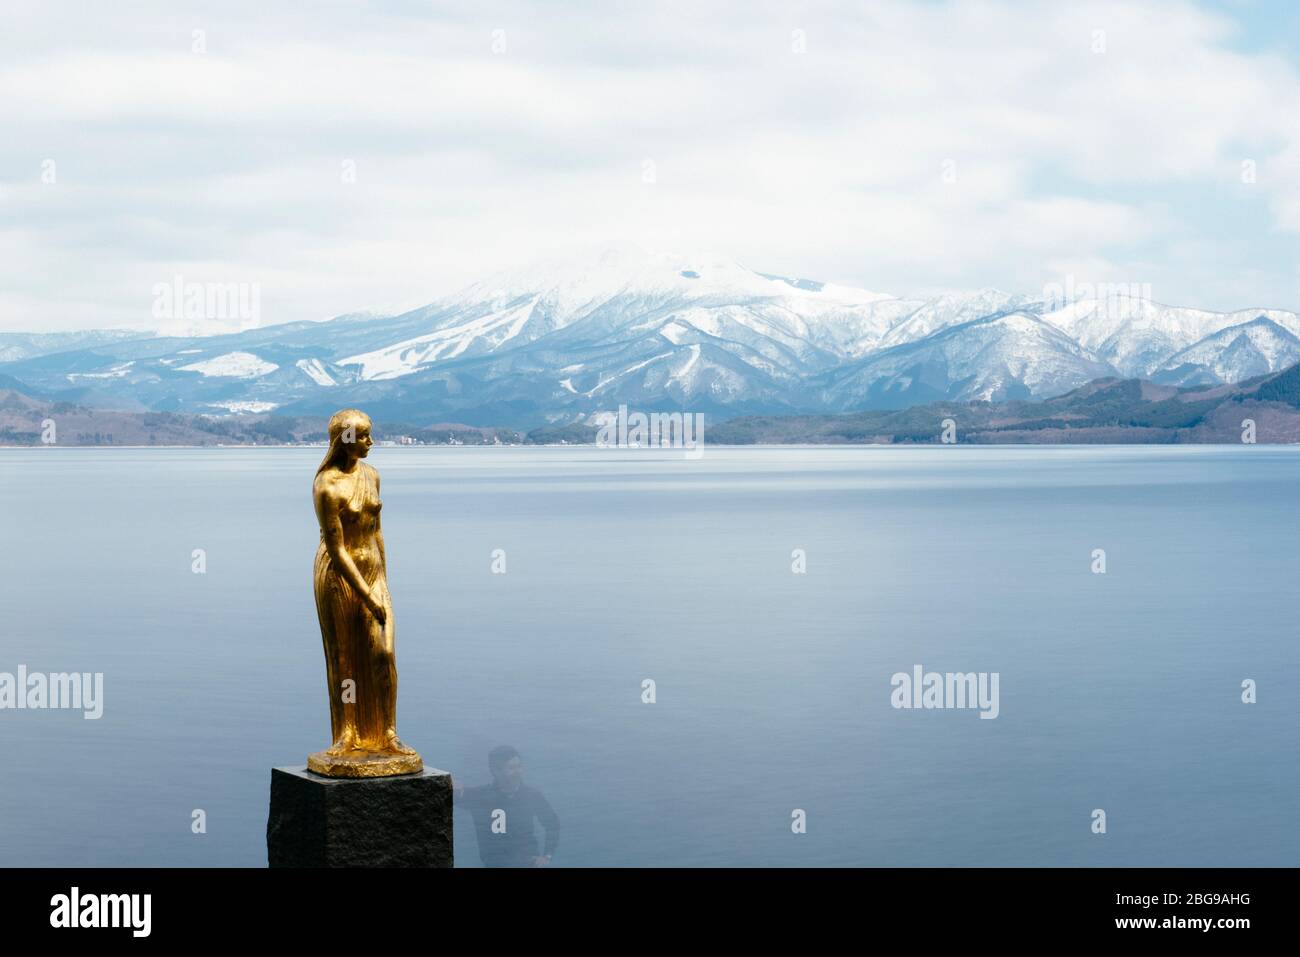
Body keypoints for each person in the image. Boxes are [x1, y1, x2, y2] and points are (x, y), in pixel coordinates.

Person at [308, 408, 420, 775]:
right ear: (346, 440)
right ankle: (348, 732)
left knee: (382, 652)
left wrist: (382, 584)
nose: (372, 442)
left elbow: (378, 532)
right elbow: (337, 548)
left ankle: (387, 732)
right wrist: (366, 594)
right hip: (338, 576)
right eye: (365, 436)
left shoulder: (372, 476)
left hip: (373, 571)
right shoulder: (327, 485)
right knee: (345, 659)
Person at [453, 746, 559, 867]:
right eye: (511, 768)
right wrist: (452, 786)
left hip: (528, 863)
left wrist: (547, 855)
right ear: (495, 771)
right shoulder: (481, 796)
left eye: (519, 766)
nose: (518, 771)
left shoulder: (532, 795)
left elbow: (552, 824)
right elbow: (452, 797)